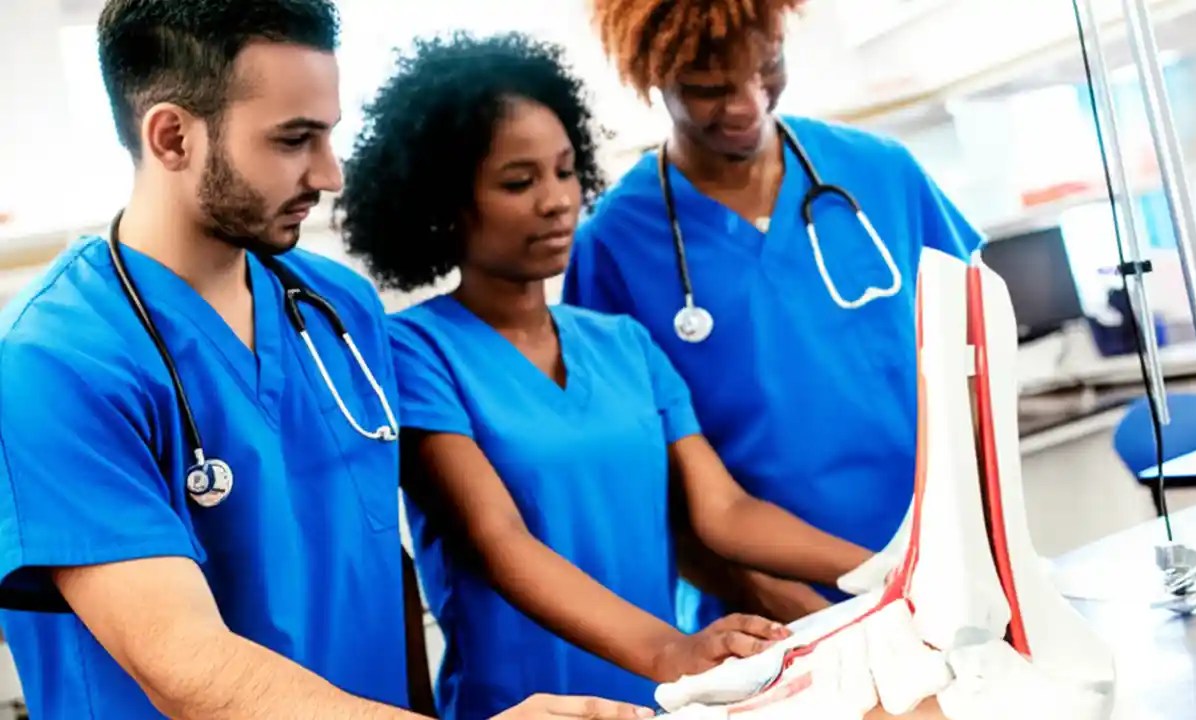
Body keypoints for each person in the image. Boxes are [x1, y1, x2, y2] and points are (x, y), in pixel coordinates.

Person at [0, 3, 649, 719]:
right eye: (294, 140)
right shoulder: (54, 361)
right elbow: (184, 666)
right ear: (173, 135)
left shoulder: (340, 309)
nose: (331, 174)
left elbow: (381, 562)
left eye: (329, 135)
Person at [337, 32, 876, 720]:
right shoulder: (416, 352)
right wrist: (669, 649)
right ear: (443, 203)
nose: (558, 201)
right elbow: (499, 540)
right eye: (518, 182)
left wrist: (879, 568)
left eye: (564, 171)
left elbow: (726, 513)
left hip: (661, 704)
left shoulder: (624, 344)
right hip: (525, 708)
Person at [564, 0, 986, 627]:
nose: (749, 106)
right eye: (709, 89)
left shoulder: (881, 171)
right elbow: (636, 468)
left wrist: (982, 528)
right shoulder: (613, 245)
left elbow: (977, 350)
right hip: (773, 605)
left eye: (767, 69)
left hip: (944, 564)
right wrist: (750, 586)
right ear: (652, 75)